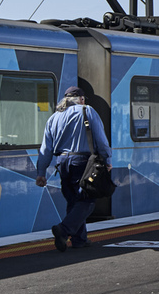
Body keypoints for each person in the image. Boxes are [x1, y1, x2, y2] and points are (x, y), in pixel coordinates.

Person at [34, 84, 113, 252]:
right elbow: (101, 139)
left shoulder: (53, 118)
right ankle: (63, 229)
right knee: (88, 200)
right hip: (82, 162)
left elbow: (45, 149)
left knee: (73, 200)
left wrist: (41, 172)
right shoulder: (87, 111)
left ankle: (79, 239)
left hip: (62, 163)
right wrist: (107, 159)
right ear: (81, 99)